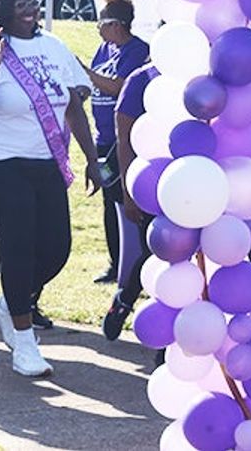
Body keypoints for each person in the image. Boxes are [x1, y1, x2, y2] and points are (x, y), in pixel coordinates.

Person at [0, 0, 101, 377]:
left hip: (47, 164)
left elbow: (74, 105)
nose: (31, 9)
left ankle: (10, 300)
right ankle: (24, 344)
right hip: (2, 164)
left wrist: (92, 158)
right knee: (18, 247)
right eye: (22, 3)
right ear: (3, 7)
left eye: (34, 1)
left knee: (57, 248)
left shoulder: (56, 47)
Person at [80, 0, 149, 283]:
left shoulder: (137, 51)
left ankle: (141, 260)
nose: (97, 28)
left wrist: (85, 71)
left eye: (102, 23)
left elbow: (119, 87)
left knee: (131, 197)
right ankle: (115, 262)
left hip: (129, 140)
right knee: (109, 199)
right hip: (104, 140)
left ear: (117, 25)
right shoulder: (103, 49)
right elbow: (95, 87)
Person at [101, 60, 159, 341]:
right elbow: (124, 140)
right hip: (148, 185)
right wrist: (129, 192)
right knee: (157, 251)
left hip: (194, 186)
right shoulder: (140, 79)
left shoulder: (202, 75)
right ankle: (124, 302)